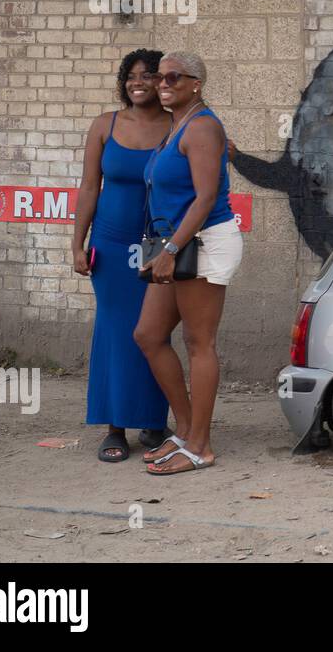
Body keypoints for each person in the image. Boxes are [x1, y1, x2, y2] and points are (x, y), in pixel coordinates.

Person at [134, 51, 243, 475]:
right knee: (148, 334)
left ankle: (200, 446)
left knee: (200, 344)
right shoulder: (179, 125)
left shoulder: (200, 127)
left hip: (202, 243)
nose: (163, 83)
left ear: (196, 82)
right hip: (177, 244)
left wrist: (172, 250)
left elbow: (206, 197)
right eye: (158, 77)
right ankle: (185, 430)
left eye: (173, 77)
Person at [72, 50, 172, 463]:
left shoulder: (177, 125)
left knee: (155, 332)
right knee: (116, 331)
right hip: (110, 245)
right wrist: (77, 243)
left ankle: (153, 422)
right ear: (123, 81)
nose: (139, 82)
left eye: (148, 75)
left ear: (161, 81)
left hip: (158, 244)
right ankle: (115, 427)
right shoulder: (104, 125)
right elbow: (89, 187)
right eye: (131, 76)